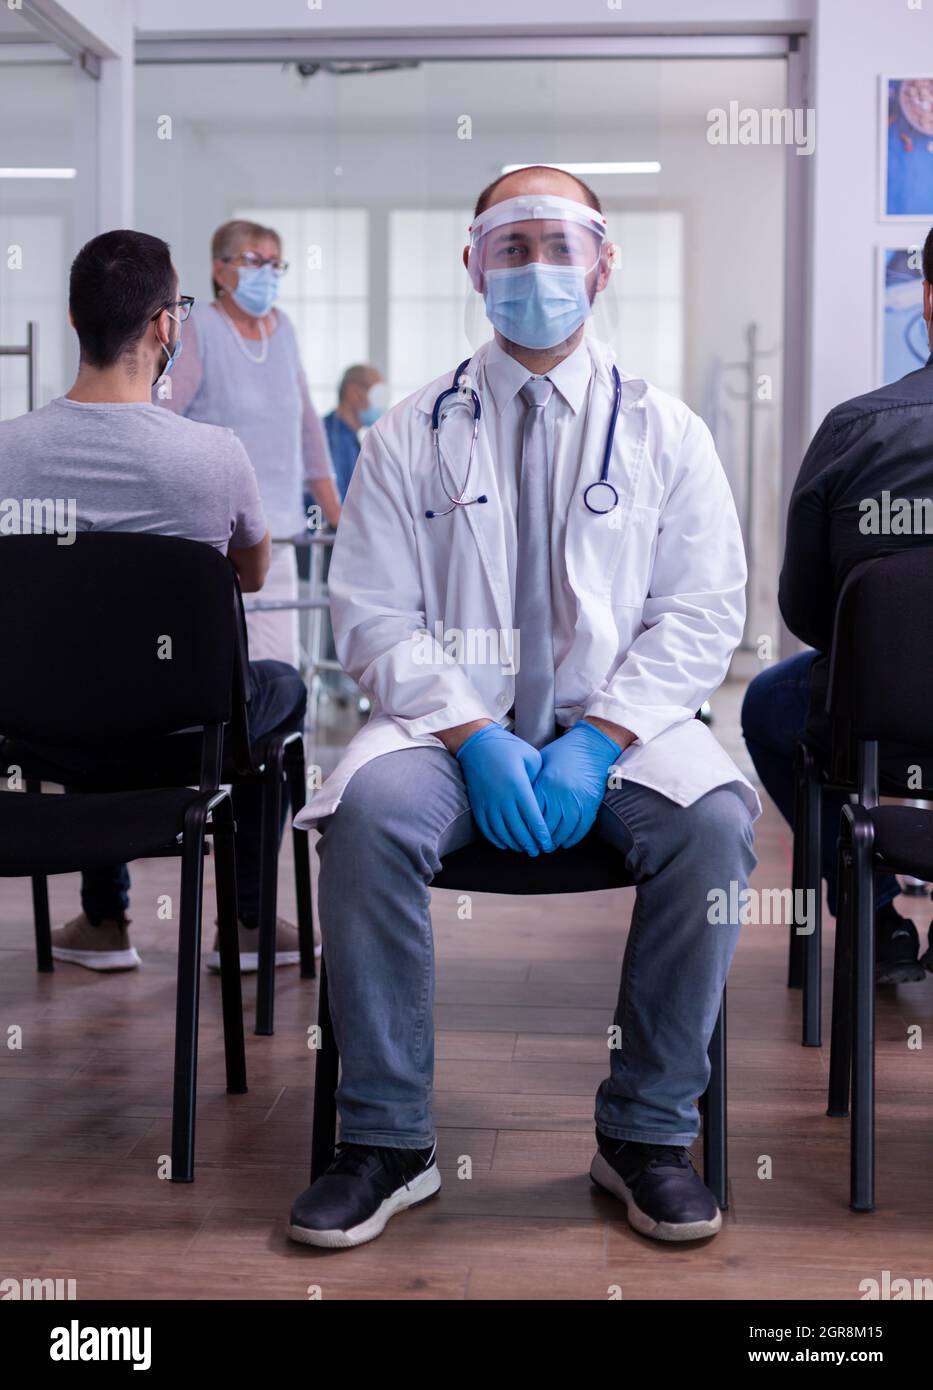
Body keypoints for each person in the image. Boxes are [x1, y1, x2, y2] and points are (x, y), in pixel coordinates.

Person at [287, 166, 760, 1250]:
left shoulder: (668, 432)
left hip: (621, 735)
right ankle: (388, 1140)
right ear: (473, 265)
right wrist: (473, 733)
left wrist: (597, 739)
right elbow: (368, 607)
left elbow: (702, 610)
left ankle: (644, 1135)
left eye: (560, 244)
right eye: (513, 247)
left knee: (717, 826)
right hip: (450, 736)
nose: (538, 269)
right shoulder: (413, 431)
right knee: (368, 817)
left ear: (603, 263)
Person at [0, 229, 308, 974]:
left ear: (75, 320)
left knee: (81, 680)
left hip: (43, 740)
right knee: (282, 692)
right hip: (186, 741)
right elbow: (252, 574)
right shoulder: (212, 456)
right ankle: (241, 923)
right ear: (166, 323)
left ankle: (105, 920)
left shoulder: (6, 452)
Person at [742, 226, 933, 987]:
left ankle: (871, 911)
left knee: (768, 707)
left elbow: (804, 608)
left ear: (926, 297)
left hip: (870, 726)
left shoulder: (856, 429)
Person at [159, 218, 340, 668]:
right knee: (217, 665)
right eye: (255, 261)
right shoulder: (199, 327)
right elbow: (161, 418)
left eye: (277, 264)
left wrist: (338, 515)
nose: (269, 273)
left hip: (275, 531)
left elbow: (308, 428)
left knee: (278, 667)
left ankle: (271, 742)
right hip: (211, 534)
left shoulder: (284, 330)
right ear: (221, 271)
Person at [323, 364, 387, 502]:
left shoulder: (349, 437)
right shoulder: (331, 438)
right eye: (377, 396)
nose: (382, 406)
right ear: (353, 392)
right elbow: (338, 501)